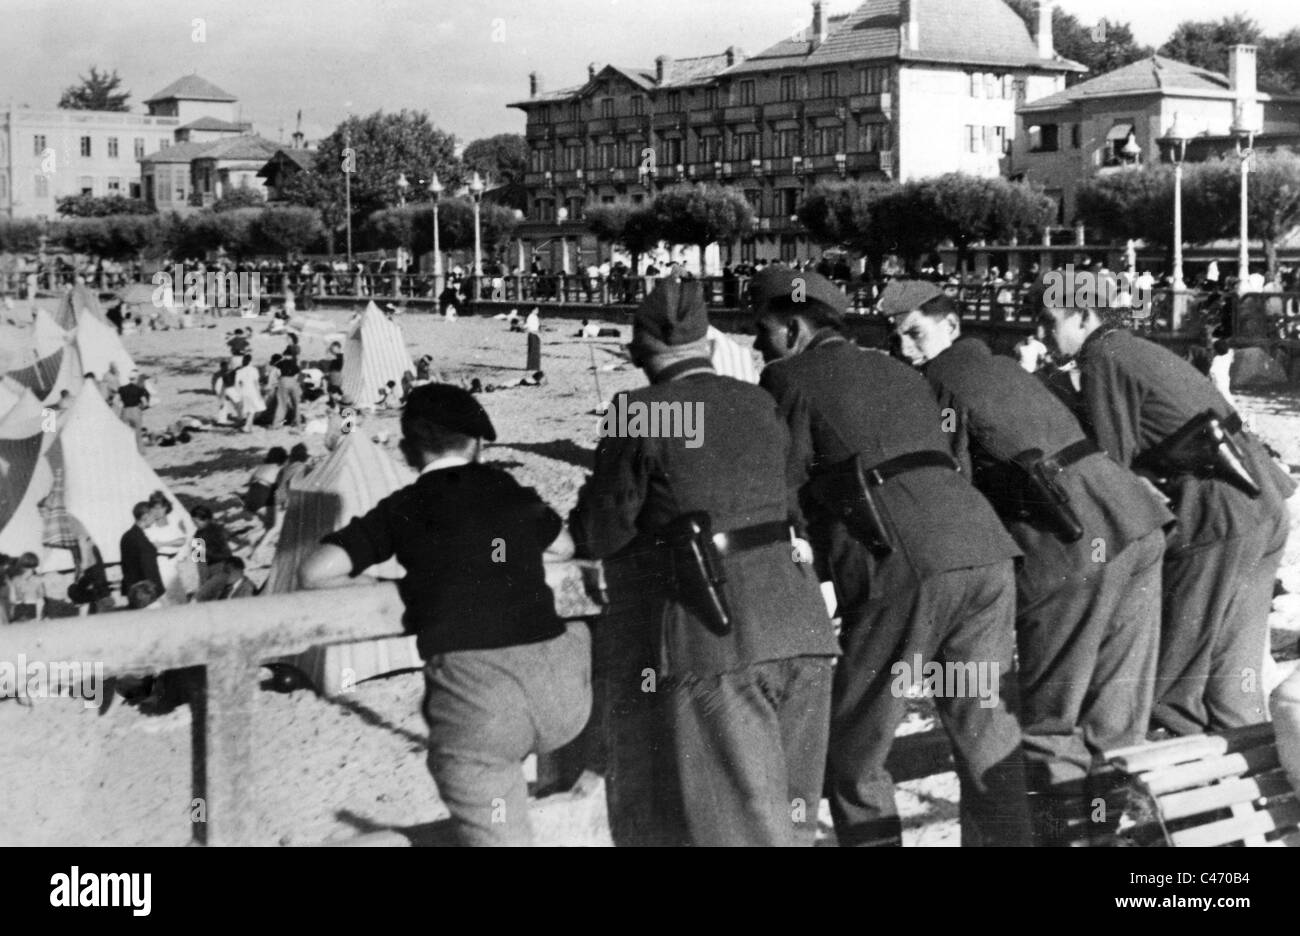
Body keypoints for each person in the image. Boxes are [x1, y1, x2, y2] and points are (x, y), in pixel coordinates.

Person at [749, 265, 1032, 847]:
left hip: (902, 568)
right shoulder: (898, 370)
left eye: (764, 330)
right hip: (981, 552)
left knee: (854, 750)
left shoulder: (787, 378)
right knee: (983, 730)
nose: (757, 344)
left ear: (795, 328)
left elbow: (782, 490)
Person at [892, 282, 1174, 845]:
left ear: (951, 326)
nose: (904, 350)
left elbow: (952, 485)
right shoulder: (1005, 368)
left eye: (915, 333)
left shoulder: (940, 384)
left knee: (1051, 719)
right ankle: (1103, 838)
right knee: (1116, 715)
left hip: (1068, 544)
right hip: (1133, 523)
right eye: (895, 337)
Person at [569, 280, 840, 847]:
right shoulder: (757, 401)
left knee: (735, 832)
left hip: (716, 633)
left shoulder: (638, 409)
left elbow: (603, 529)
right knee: (793, 823)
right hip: (803, 628)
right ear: (707, 344)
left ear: (641, 350)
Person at [298, 384, 592, 846]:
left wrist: (404, 586)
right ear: (477, 444)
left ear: (407, 449)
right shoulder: (508, 487)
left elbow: (316, 571)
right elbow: (565, 547)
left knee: (497, 823)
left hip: (481, 703)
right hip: (565, 695)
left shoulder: (405, 506)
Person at [1039, 282, 1295, 736]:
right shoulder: (1136, 348)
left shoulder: (1103, 358)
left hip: (1218, 518)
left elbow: (1111, 470)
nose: (1040, 333)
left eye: (1048, 321)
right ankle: (1242, 797)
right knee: (1233, 684)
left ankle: (1194, 802)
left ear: (1083, 318)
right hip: (1263, 508)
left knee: (1172, 690)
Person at [120, 502, 164, 598]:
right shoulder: (140, 540)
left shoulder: (128, 536)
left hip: (135, 592)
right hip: (146, 594)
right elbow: (149, 570)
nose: (155, 518)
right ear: (145, 516)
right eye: (153, 515)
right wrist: (159, 592)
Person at [245, 447, 287, 531]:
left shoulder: (261, 467)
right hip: (263, 494)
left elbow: (250, 482)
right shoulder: (278, 469)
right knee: (273, 523)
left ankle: (250, 511)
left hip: (250, 496)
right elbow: (280, 488)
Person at [190, 504, 233, 585]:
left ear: (205, 519)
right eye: (193, 522)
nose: (194, 524)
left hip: (221, 565)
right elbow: (198, 559)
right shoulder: (197, 535)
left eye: (196, 521)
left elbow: (227, 554)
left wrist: (206, 552)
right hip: (208, 568)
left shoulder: (216, 530)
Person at [5, 553, 46, 622]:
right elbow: (41, 600)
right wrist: (38, 617)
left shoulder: (15, 580)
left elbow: (12, 600)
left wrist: (11, 586)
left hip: (19, 610)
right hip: (32, 609)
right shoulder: (38, 580)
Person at [116, 373, 150, 452]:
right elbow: (145, 403)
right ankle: (139, 451)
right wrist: (141, 407)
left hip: (125, 411)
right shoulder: (139, 389)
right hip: (135, 410)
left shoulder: (122, 389)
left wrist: (121, 407)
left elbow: (115, 401)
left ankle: (125, 450)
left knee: (124, 432)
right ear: (136, 379)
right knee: (137, 432)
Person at [233, 354, 265, 433]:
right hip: (252, 391)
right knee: (252, 409)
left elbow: (237, 383)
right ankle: (247, 426)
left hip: (244, 391)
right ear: (250, 361)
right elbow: (256, 383)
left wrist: (238, 392)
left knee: (248, 409)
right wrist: (259, 393)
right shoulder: (254, 370)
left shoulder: (239, 371)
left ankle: (248, 426)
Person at [275, 443, 311, 512]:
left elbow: (278, 481)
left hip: (278, 498)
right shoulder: (301, 467)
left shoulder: (285, 467)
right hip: (288, 502)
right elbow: (293, 485)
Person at [274, 351, 303, 428]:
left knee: (282, 404)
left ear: (284, 355)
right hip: (293, 381)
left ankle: (277, 423)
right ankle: (297, 422)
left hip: (283, 380)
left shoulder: (280, 363)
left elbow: (277, 373)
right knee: (296, 403)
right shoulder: (294, 363)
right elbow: (297, 375)